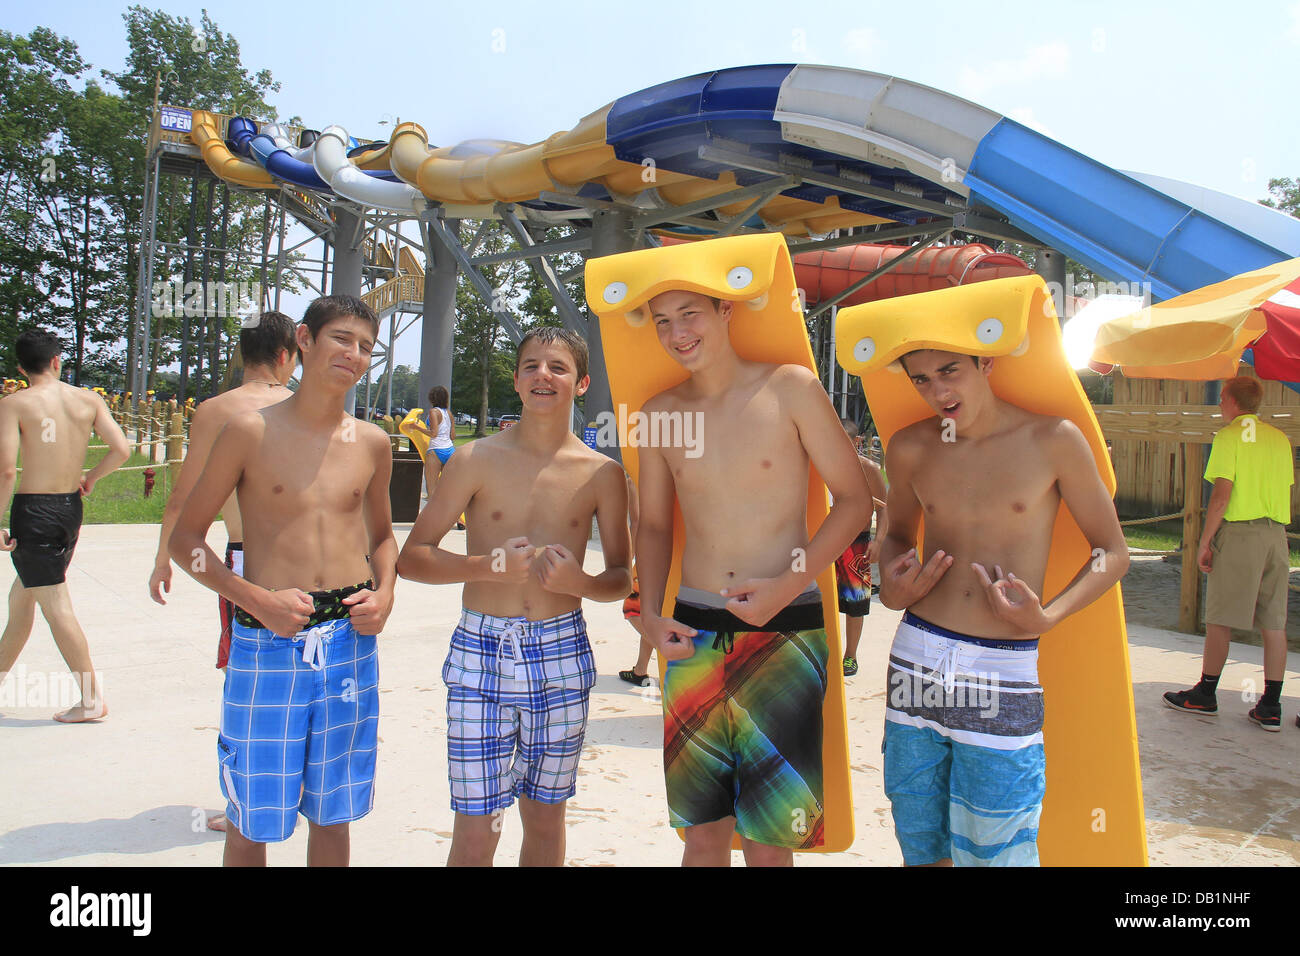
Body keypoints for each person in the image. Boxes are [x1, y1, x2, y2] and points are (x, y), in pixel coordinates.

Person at [637, 291, 872, 867]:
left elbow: (855, 500)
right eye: (662, 322)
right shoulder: (658, 413)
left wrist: (789, 583)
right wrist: (647, 614)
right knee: (702, 828)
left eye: (689, 313)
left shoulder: (789, 388)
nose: (676, 332)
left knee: (771, 836)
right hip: (693, 630)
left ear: (726, 312)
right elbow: (652, 524)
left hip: (786, 628)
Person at [169, 294, 397, 867]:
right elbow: (186, 542)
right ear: (303, 339)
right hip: (267, 639)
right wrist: (254, 598)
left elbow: (383, 538)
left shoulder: (371, 443)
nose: (354, 353)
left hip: (349, 641)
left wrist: (387, 593)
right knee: (252, 818)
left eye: (365, 346)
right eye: (341, 338)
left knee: (335, 815)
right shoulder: (250, 431)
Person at [877, 349, 1129, 867]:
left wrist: (1050, 616)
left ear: (986, 364)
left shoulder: (1053, 439)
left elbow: (1113, 552)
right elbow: (897, 533)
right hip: (915, 656)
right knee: (920, 845)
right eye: (921, 379)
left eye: (951, 371)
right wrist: (890, 587)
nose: (938, 390)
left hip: (1001, 666)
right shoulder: (910, 446)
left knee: (1000, 852)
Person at [396, 327, 631, 867]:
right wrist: (486, 566)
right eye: (530, 366)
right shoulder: (475, 459)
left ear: (582, 382)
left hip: (561, 652)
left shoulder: (603, 474)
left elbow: (622, 575)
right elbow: (412, 559)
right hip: (482, 651)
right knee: (476, 826)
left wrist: (585, 585)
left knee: (546, 819)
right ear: (519, 380)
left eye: (558, 367)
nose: (543, 375)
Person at [147, 311, 298, 830]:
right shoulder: (307, 406)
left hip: (244, 561)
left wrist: (163, 557)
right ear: (287, 354)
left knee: (247, 683)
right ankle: (301, 790)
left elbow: (186, 498)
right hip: (314, 562)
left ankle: (246, 801)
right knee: (306, 678)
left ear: (246, 354)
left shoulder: (215, 410)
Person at [0, 329, 130, 722]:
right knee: (22, 601)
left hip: (34, 511)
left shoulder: (14, 403)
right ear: (57, 361)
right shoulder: (88, 400)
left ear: (22, 368)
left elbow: (6, 469)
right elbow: (121, 449)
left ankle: (91, 699)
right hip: (69, 510)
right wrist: (90, 478)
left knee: (55, 606)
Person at [1163, 376, 1293, 731]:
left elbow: (1221, 496)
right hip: (1276, 536)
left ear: (1233, 402)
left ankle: (1206, 693)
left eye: (1222, 399)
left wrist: (1205, 540)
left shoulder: (1229, 437)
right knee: (1274, 622)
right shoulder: (1279, 439)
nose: (1219, 404)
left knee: (1219, 617)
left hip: (1240, 534)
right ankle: (1270, 705)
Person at [834, 417, 888, 677]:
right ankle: (827, 651)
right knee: (820, 599)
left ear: (855, 441)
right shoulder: (822, 465)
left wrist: (878, 542)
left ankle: (850, 655)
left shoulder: (869, 469)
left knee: (855, 601)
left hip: (857, 544)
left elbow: (884, 509)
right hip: (826, 541)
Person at [618, 471, 656, 687]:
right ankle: (640, 670)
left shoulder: (635, 478)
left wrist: (627, 557)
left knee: (632, 610)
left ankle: (672, 655)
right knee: (649, 613)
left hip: (647, 559)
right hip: (673, 556)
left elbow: (637, 521)